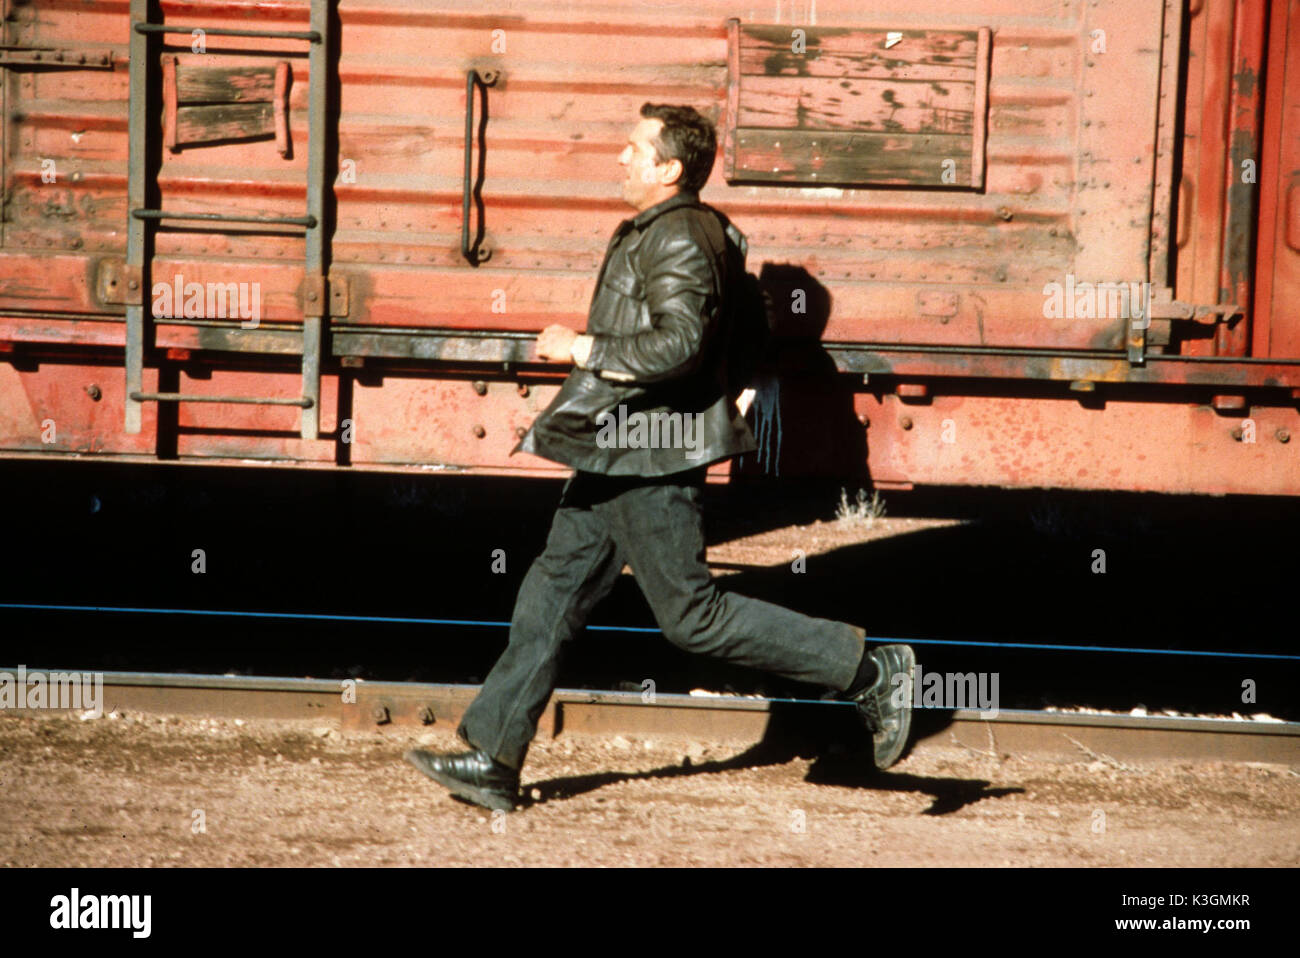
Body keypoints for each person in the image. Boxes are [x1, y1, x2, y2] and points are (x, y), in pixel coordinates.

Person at [405, 103, 915, 811]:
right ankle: (493, 758)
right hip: (621, 445)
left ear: (670, 168)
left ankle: (870, 670)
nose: (620, 156)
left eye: (634, 147)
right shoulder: (677, 231)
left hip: (649, 449)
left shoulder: (679, 236)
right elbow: (718, 336)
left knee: (691, 616)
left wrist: (582, 348)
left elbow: (678, 346)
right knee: (553, 590)